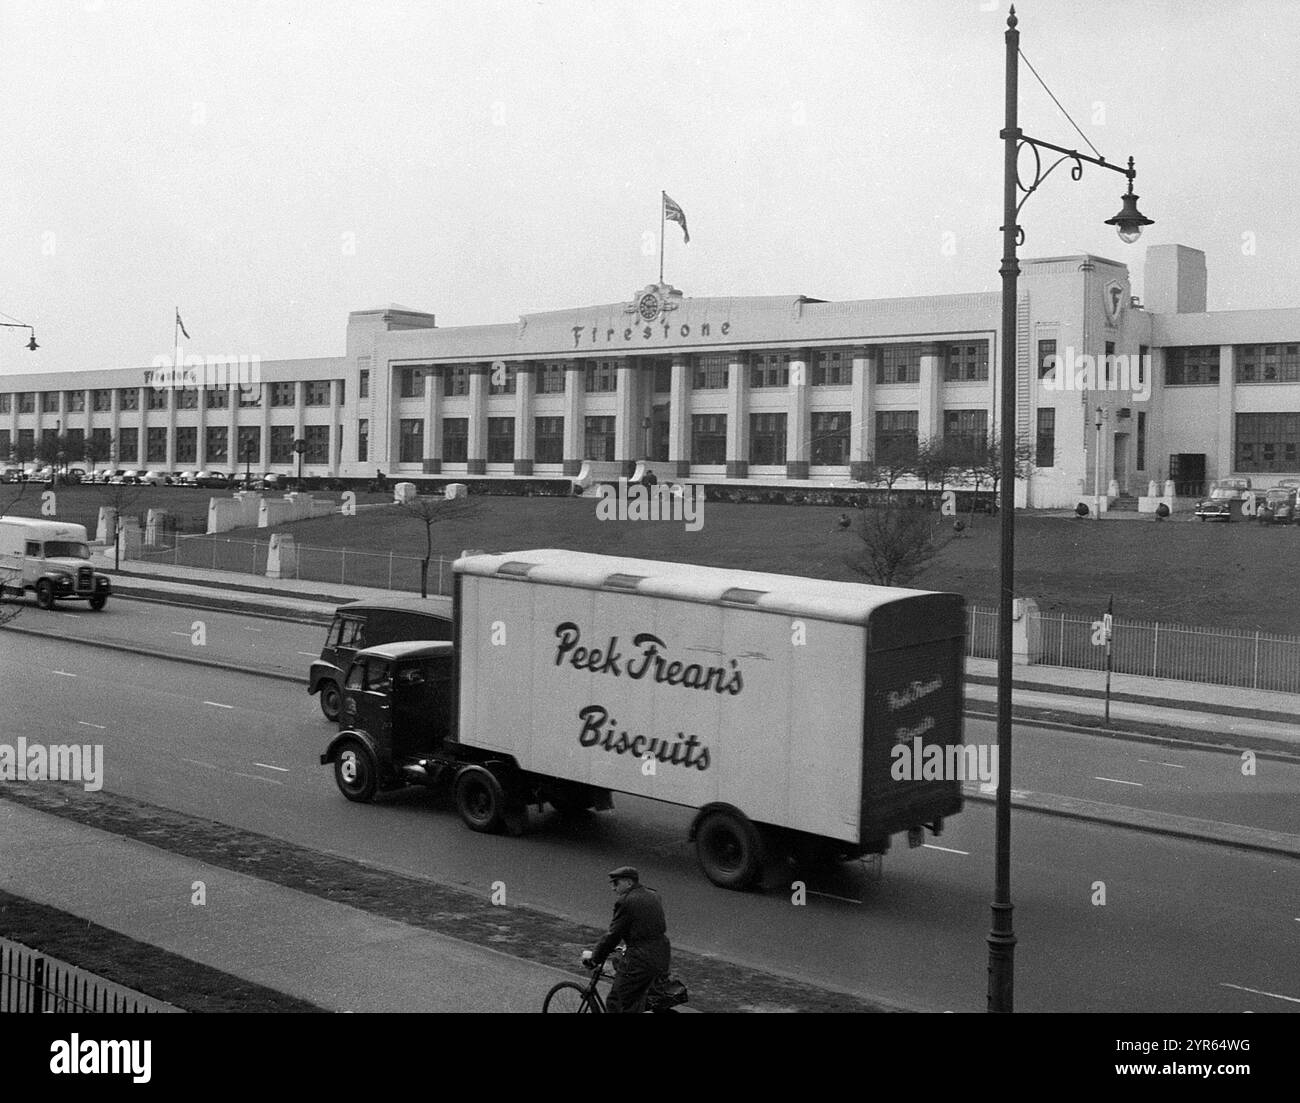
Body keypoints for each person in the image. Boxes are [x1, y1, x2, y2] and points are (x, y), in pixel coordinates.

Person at [582, 866, 670, 1013]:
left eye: (616, 883)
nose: (613, 888)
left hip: (640, 959)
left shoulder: (626, 901)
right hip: (661, 954)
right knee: (641, 1000)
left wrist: (595, 958)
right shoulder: (653, 895)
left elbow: (613, 935)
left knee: (617, 1001)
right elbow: (645, 926)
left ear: (629, 883)